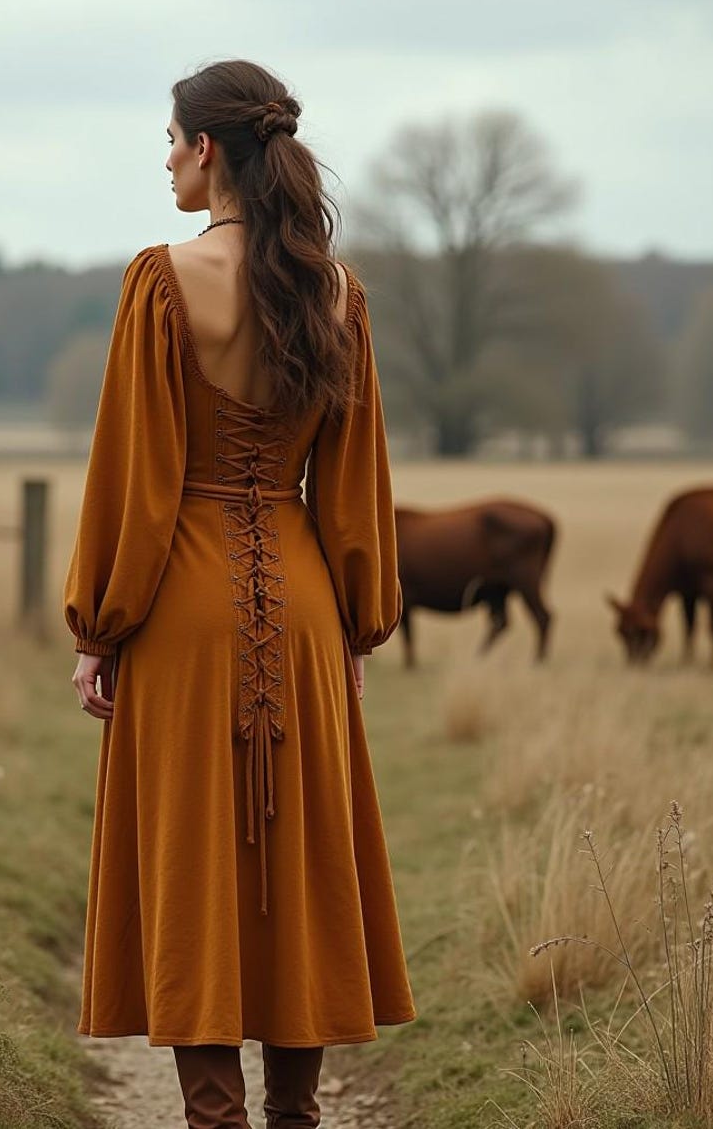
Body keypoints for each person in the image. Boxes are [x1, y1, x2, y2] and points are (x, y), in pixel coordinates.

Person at [64, 59, 416, 1129]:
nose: (164, 156)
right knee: (302, 860)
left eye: (170, 138)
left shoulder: (161, 280)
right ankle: (298, 1117)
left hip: (180, 609)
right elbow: (354, 489)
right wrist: (357, 623)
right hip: (306, 607)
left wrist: (100, 627)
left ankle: (214, 1116)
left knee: (194, 864)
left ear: (207, 148)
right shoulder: (338, 292)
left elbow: (139, 478)